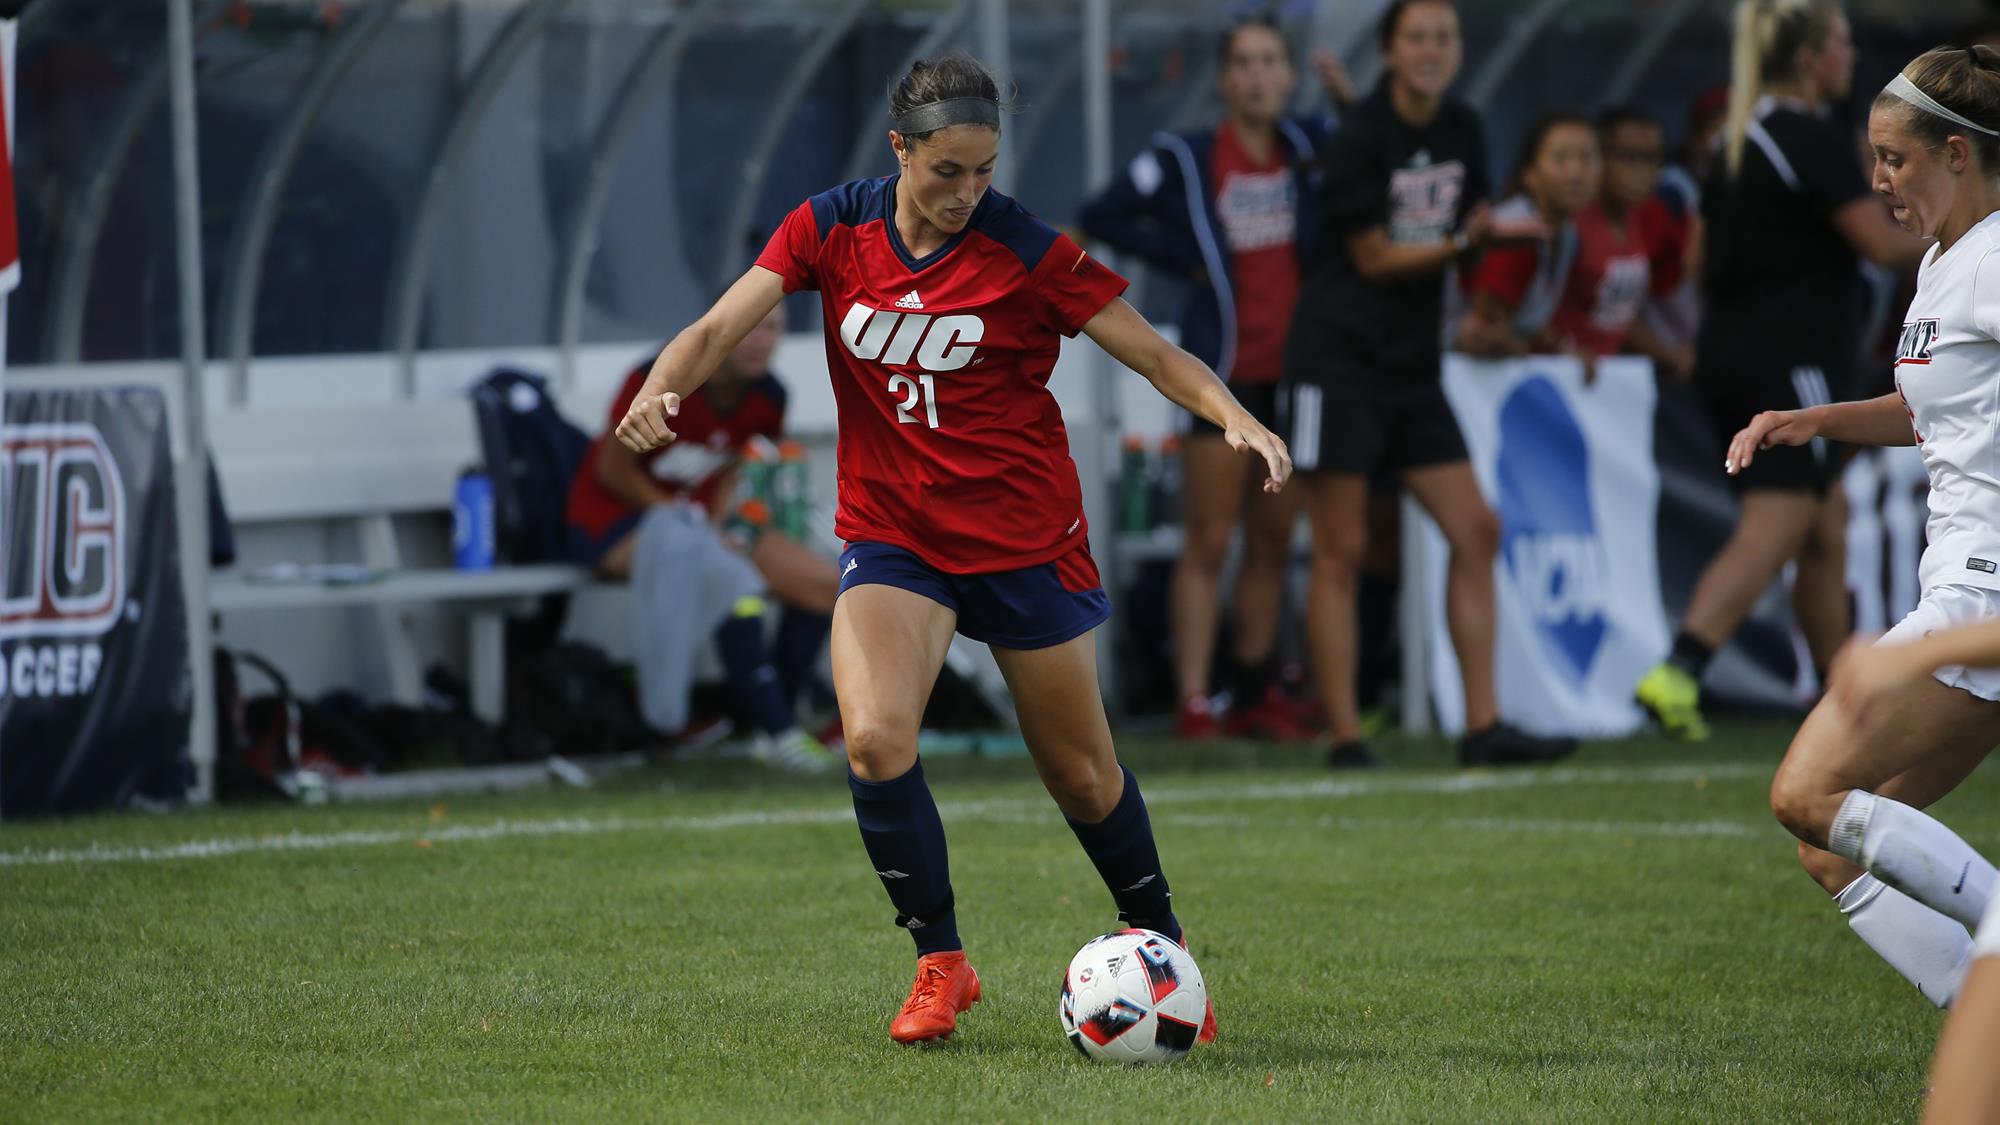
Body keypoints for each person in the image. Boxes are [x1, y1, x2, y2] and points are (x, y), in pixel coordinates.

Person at [615, 52, 1290, 1045]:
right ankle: (940, 963)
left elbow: (1151, 350)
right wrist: (656, 390)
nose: (969, 191)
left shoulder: (1025, 251)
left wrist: (1230, 415)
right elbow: (718, 325)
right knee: (875, 737)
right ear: (899, 150)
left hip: (1022, 540)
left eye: (983, 170)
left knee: (1082, 777)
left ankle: (1160, 947)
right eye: (947, 171)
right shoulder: (830, 225)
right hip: (894, 536)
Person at [1740, 44, 2000, 1013]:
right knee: (1827, 842)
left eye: (1894, 157)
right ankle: (1982, 1041)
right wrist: (1816, 420)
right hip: (1964, 587)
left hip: (1983, 593)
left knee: (1800, 792)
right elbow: (1941, 406)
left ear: (1958, 154)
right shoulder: (1945, 262)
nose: (1877, 179)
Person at [1279, 0, 1576, 769]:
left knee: (1475, 528)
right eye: (1417, 36)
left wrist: (1498, 275)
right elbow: (1376, 257)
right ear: (1390, 50)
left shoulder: (1464, 128)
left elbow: (1470, 248)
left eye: (1444, 36)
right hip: (1336, 359)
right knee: (1341, 547)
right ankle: (1345, 738)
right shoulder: (1359, 135)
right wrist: (1462, 242)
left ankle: (1483, 728)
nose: (1432, 49)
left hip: (1411, 365)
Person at [1633, 0, 1922, 740]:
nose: (1851, 57)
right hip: (1788, 362)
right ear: (1807, 58)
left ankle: (1839, 700)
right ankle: (1680, 669)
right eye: (1841, 44)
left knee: (1826, 522)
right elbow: (1881, 245)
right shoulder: (1804, 136)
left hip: (1737, 350)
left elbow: (1700, 260)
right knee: (1783, 516)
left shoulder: (1740, 135)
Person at [1079, 14, 1335, 741]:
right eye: (1244, 63)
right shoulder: (1188, 157)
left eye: (1270, 61)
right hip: (1217, 377)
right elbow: (1103, 212)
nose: (1257, 75)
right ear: (1224, 81)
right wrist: (1182, 256)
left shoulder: (1311, 149)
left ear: (1290, 75)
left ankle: (1255, 687)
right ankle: (1194, 699)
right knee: (1209, 538)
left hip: (1294, 377)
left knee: (1273, 540)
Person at [566, 305, 839, 770]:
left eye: (771, 329)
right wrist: (681, 516)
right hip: (621, 521)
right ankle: (778, 733)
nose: (758, 340)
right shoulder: (666, 375)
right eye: (749, 326)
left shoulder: (770, 396)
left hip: (696, 523)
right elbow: (613, 468)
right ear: (721, 326)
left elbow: (737, 464)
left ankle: (770, 715)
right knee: (726, 575)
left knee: (825, 584)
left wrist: (717, 522)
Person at [1456, 112, 1601, 358]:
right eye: (1561, 159)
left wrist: (1565, 350)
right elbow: (1485, 329)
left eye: (1587, 159)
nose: (1576, 172)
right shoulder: (1513, 233)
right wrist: (1523, 350)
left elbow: (1526, 323)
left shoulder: (1568, 234)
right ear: (1529, 175)